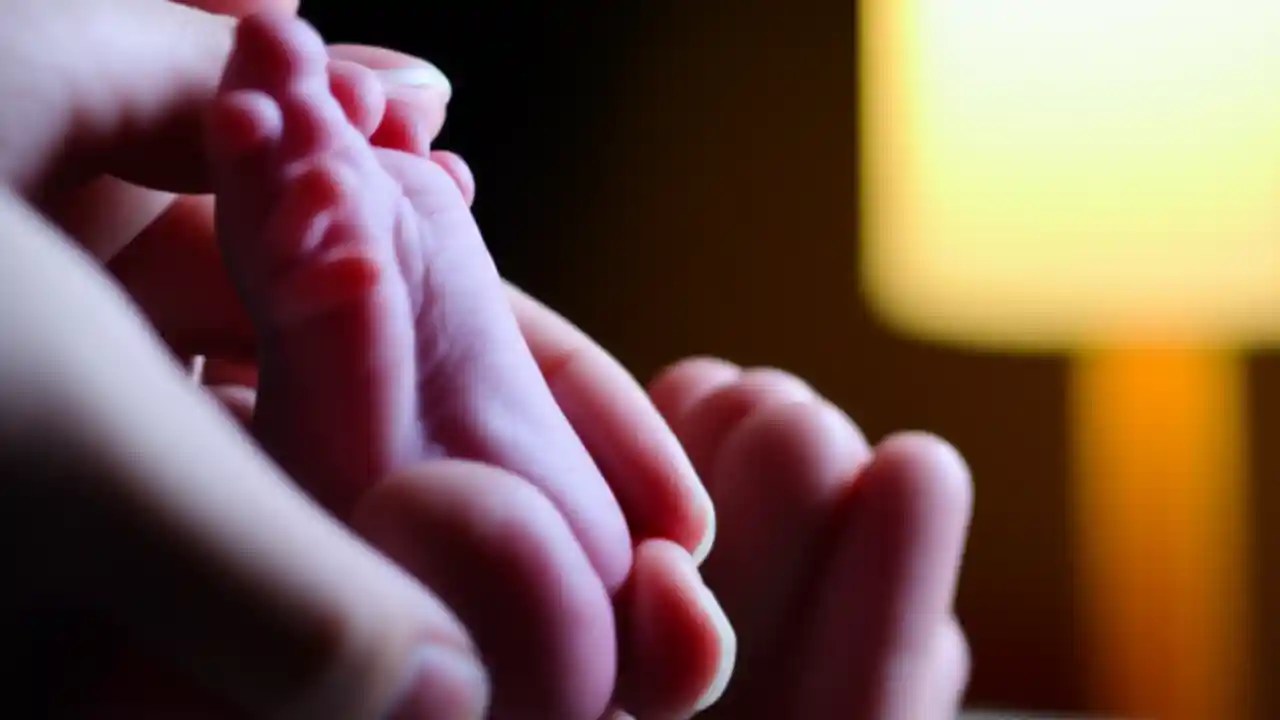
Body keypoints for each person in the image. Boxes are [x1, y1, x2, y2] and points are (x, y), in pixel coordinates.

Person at [0, 0, 972, 717]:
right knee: (499, 552)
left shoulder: (358, 189)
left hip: (506, 522)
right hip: (434, 543)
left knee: (519, 556)